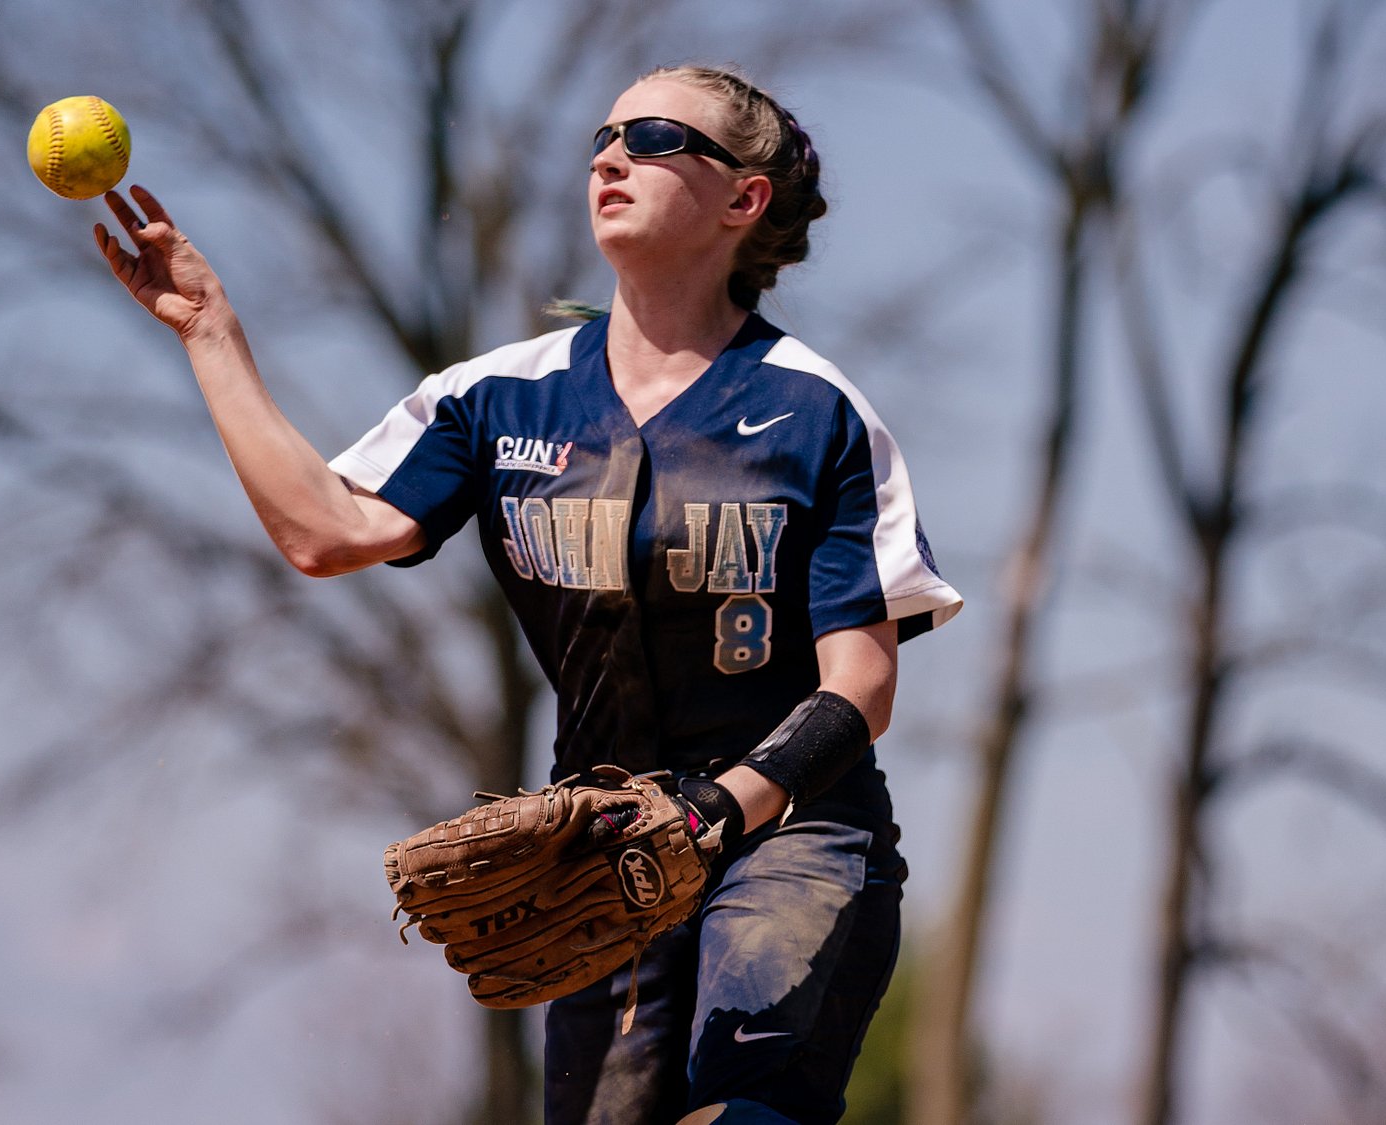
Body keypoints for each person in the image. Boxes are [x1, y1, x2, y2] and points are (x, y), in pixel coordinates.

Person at [96, 63, 961, 1125]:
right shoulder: (499, 395)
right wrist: (209, 334)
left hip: (792, 833)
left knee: (746, 1114)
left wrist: (711, 814)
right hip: (599, 855)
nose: (608, 157)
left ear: (744, 199)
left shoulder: (818, 413)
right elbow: (324, 534)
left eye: (651, 138)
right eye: (602, 137)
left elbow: (859, 689)